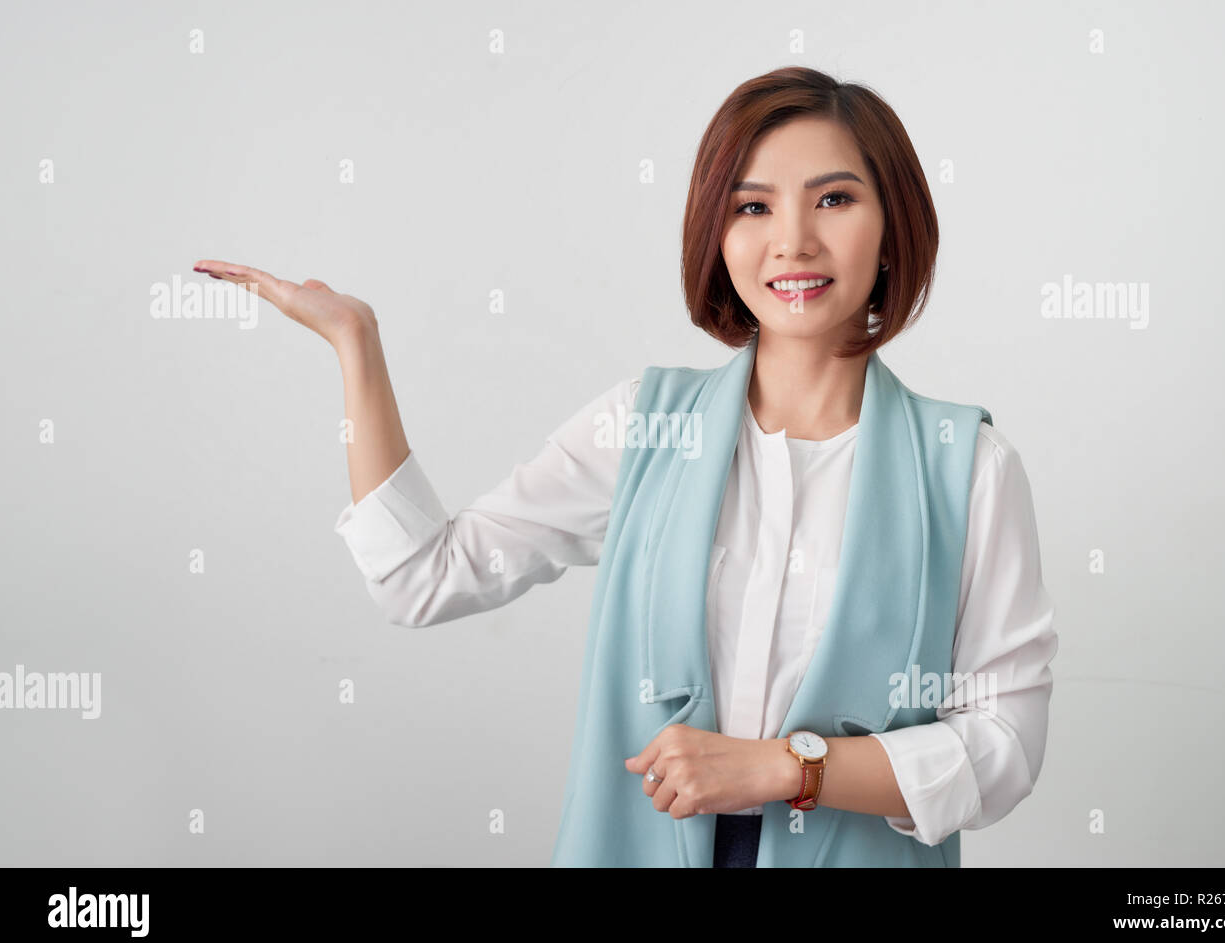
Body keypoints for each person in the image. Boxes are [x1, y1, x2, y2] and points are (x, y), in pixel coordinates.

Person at [192, 66, 1057, 868]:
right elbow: (422, 574)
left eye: (833, 198)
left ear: (892, 222)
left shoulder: (968, 467)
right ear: (715, 234)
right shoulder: (645, 426)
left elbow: (1008, 745)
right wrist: (357, 344)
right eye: (753, 207)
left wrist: (789, 769)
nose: (792, 240)